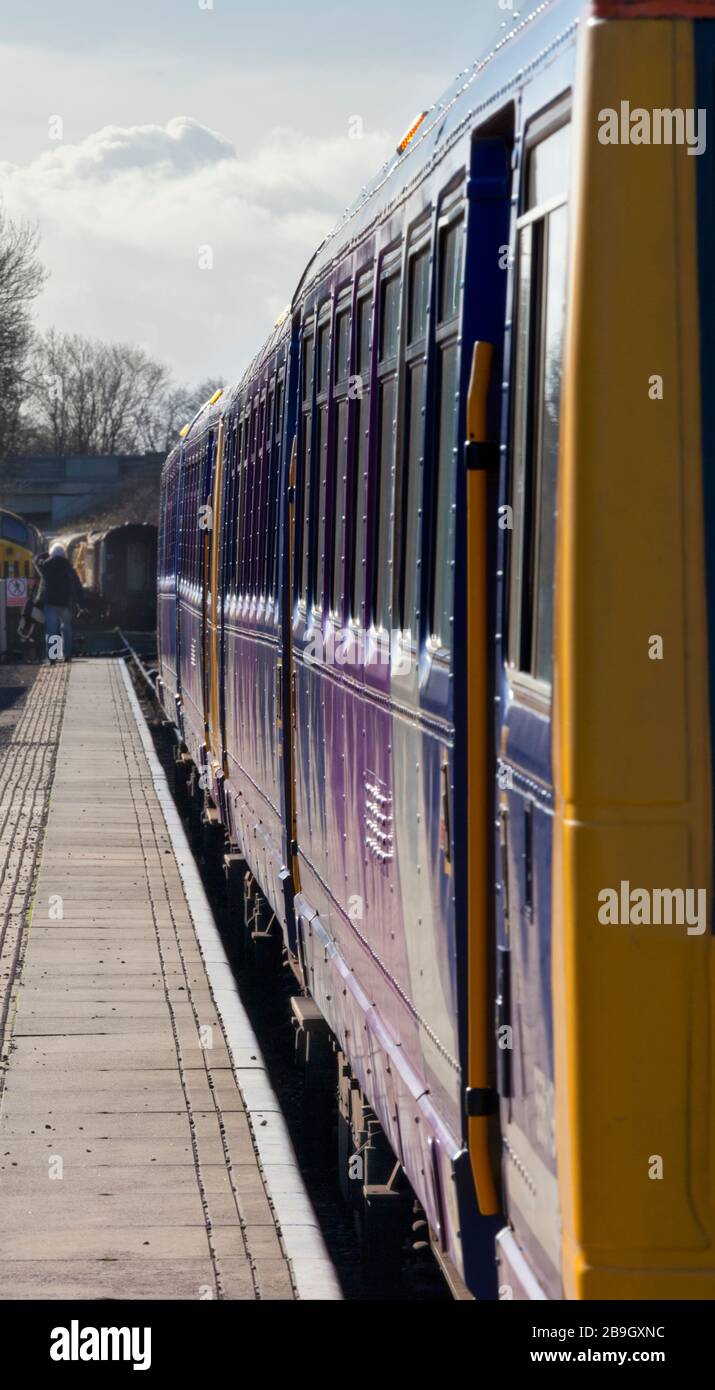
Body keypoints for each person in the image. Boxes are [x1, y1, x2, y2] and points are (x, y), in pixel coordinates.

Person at [35, 542, 84, 664]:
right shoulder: (69, 568)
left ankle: (53, 657)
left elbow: (36, 560)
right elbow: (78, 587)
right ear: (64, 555)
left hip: (50, 603)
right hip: (66, 604)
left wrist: (49, 553)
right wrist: (81, 604)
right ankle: (67, 655)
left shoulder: (45, 567)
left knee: (52, 629)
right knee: (66, 628)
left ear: (52, 554)